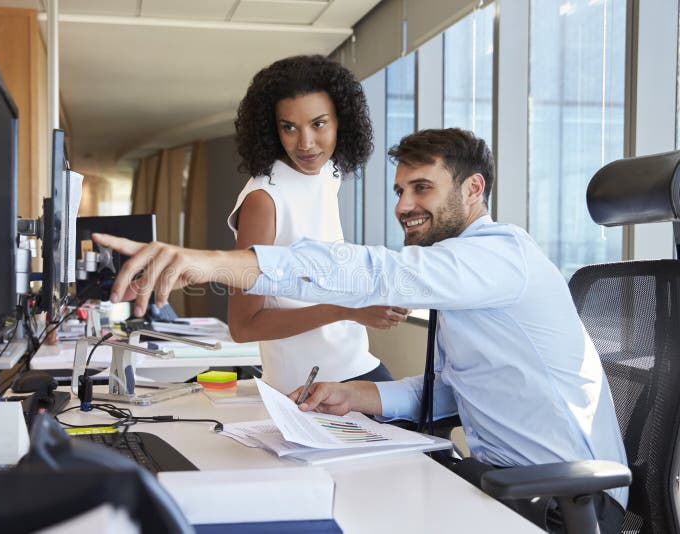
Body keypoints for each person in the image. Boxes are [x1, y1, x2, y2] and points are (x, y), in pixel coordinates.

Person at [92, 128, 628, 533]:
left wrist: (215, 264)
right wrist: (358, 395)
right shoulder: (460, 271)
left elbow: (378, 272)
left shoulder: (501, 256)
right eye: (399, 190)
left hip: (563, 499)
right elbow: (458, 387)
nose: (402, 207)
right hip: (502, 482)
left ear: (474, 189)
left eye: (421, 188)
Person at [225, 55, 404, 393]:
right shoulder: (264, 200)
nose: (305, 143)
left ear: (341, 122)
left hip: (356, 364)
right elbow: (243, 326)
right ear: (271, 128)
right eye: (288, 127)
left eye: (318, 124)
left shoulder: (327, 172)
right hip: (307, 389)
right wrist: (348, 309)